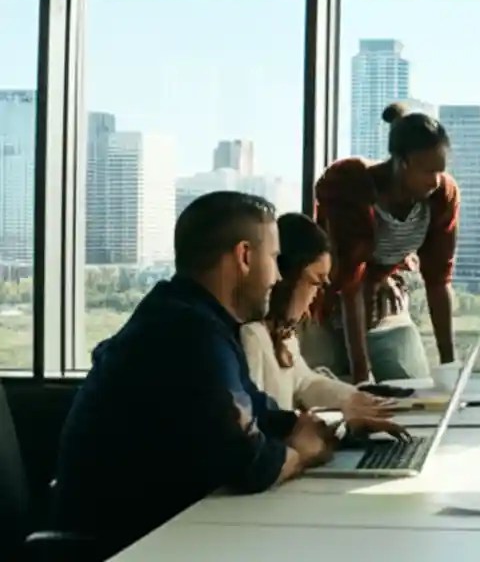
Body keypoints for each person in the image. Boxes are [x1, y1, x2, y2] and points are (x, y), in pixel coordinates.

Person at [52, 192, 336, 556]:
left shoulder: (197, 319)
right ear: (244, 256)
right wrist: (301, 451)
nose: (278, 276)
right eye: (274, 259)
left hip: (163, 533)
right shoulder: (187, 333)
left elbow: (257, 412)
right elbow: (250, 463)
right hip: (126, 546)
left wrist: (310, 426)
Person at [304, 102, 459, 384]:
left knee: (406, 381)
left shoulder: (441, 196)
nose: (435, 181)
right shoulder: (351, 186)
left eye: (440, 170)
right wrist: (363, 377)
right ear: (401, 162)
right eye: (426, 171)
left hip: (382, 309)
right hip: (329, 304)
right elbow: (349, 282)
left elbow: (438, 279)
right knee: (331, 384)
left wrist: (449, 366)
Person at [240, 213, 396, 420]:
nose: (318, 294)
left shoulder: (282, 333)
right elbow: (258, 420)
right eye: (316, 282)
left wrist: (357, 398)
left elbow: (304, 383)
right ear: (287, 276)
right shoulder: (251, 336)